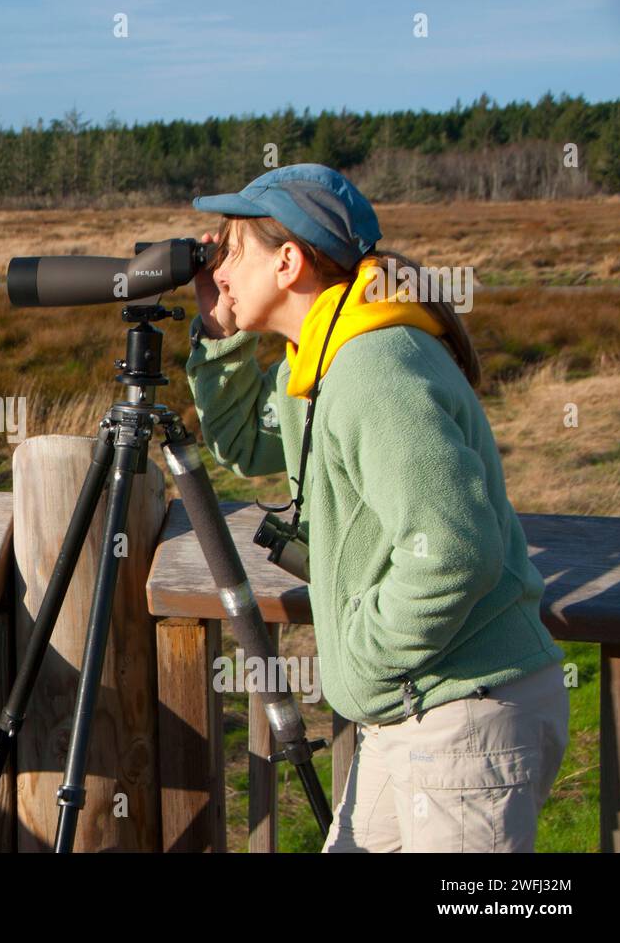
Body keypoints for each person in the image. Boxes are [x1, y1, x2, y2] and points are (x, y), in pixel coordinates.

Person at [184, 163, 568, 852]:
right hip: (424, 715)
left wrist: (359, 659)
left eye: (232, 252)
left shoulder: (374, 368)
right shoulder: (325, 359)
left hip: (461, 716)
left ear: (290, 261)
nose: (217, 267)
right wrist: (218, 335)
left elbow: (454, 549)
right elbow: (245, 438)